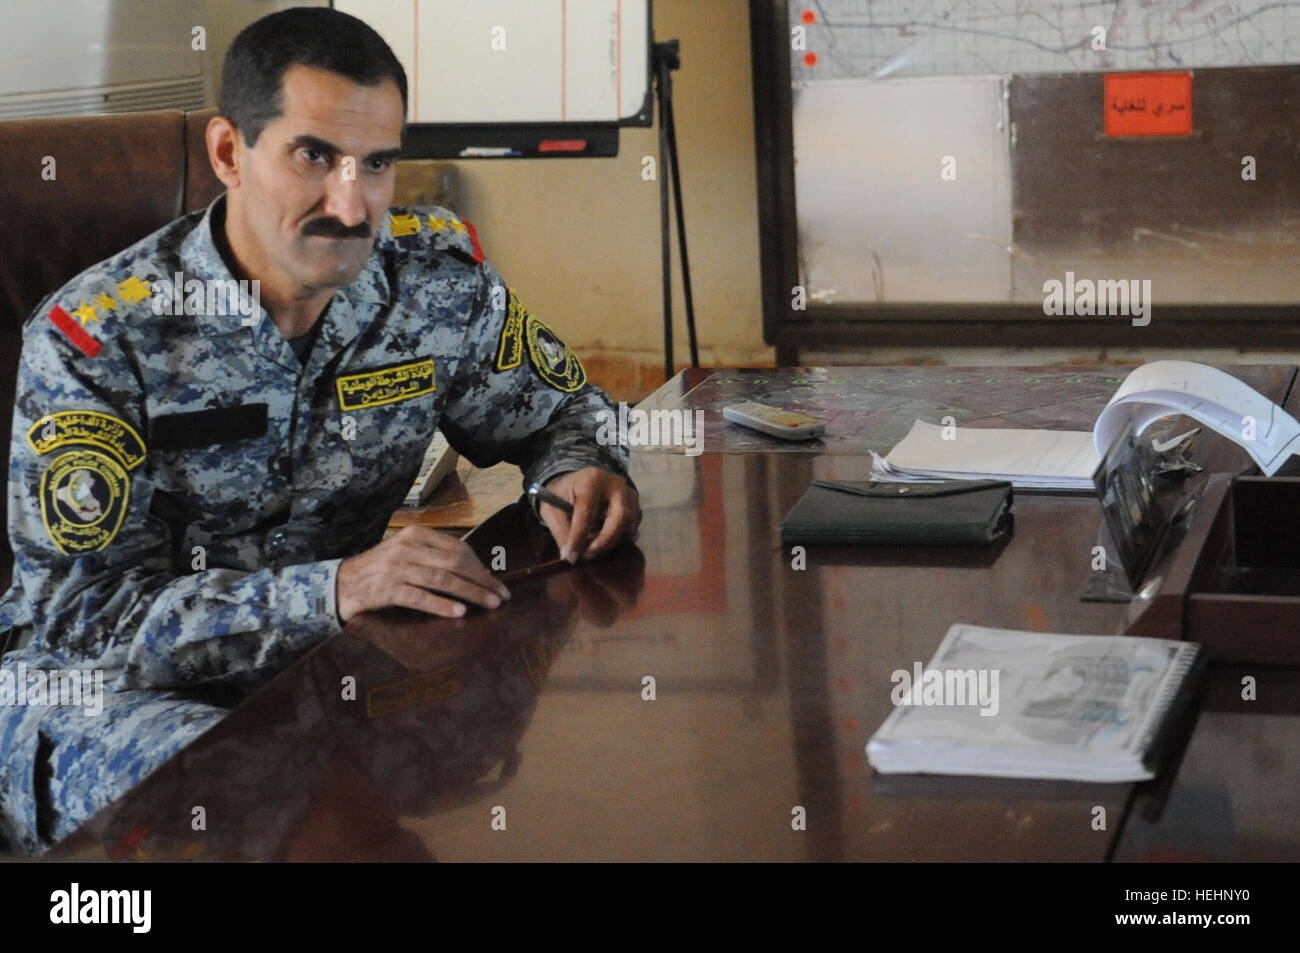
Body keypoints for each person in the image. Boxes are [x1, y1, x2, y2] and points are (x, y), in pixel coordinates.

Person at [0, 7, 639, 853]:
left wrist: (579, 464)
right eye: (315, 156)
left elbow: (563, 407)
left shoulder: (429, 284)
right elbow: (79, 613)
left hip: (330, 660)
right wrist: (329, 590)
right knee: (270, 788)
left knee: (547, 753)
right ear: (229, 152)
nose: (352, 202)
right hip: (105, 689)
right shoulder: (101, 336)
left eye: (377, 164)